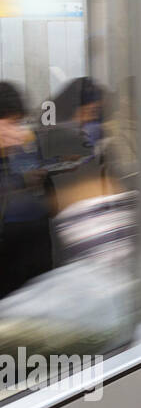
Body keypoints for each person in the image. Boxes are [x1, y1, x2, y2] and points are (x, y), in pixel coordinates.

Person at [0, 81, 54, 298]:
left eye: (19, 122)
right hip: (8, 239)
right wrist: (22, 180)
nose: (18, 131)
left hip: (36, 230)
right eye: (12, 122)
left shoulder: (27, 142)